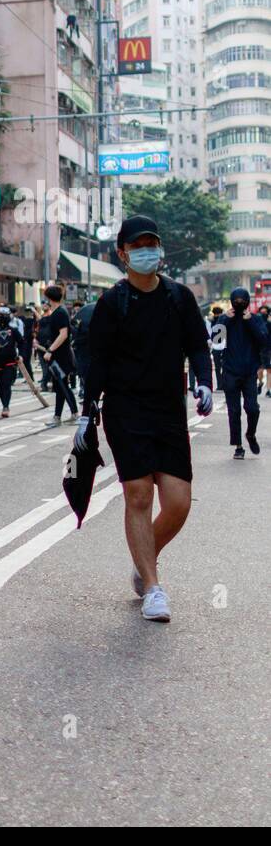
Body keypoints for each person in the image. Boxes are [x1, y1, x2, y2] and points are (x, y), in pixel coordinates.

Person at [75, 214, 213, 623]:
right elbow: (96, 361)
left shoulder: (179, 297)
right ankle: (153, 587)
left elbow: (199, 346)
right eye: (137, 246)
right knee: (138, 494)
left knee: (178, 503)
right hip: (125, 410)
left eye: (151, 243)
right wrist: (87, 413)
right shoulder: (111, 302)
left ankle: (143, 559)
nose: (146, 251)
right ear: (123, 253)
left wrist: (204, 382)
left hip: (169, 411)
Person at [215, 287, 268, 459]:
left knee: (252, 408)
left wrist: (250, 321)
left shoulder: (256, 319)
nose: (239, 304)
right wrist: (225, 320)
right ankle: (238, 446)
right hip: (230, 371)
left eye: (242, 301)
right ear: (231, 301)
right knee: (234, 410)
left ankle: (250, 434)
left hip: (249, 371)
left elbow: (264, 340)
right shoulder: (224, 318)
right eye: (236, 301)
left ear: (247, 301)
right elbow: (216, 342)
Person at [38, 285, 76, 426]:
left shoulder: (60, 313)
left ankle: (72, 413)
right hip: (60, 355)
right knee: (60, 386)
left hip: (61, 356)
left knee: (62, 385)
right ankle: (59, 416)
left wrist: (50, 350)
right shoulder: (59, 311)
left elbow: (63, 334)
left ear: (49, 298)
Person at [0, 306, 21, 418]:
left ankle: (6, 406)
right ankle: (4, 404)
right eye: (1, 315)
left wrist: (21, 355)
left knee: (6, 384)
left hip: (10, 361)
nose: (2, 317)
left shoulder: (14, 330)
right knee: (0, 386)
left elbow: (22, 342)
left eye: (5, 315)